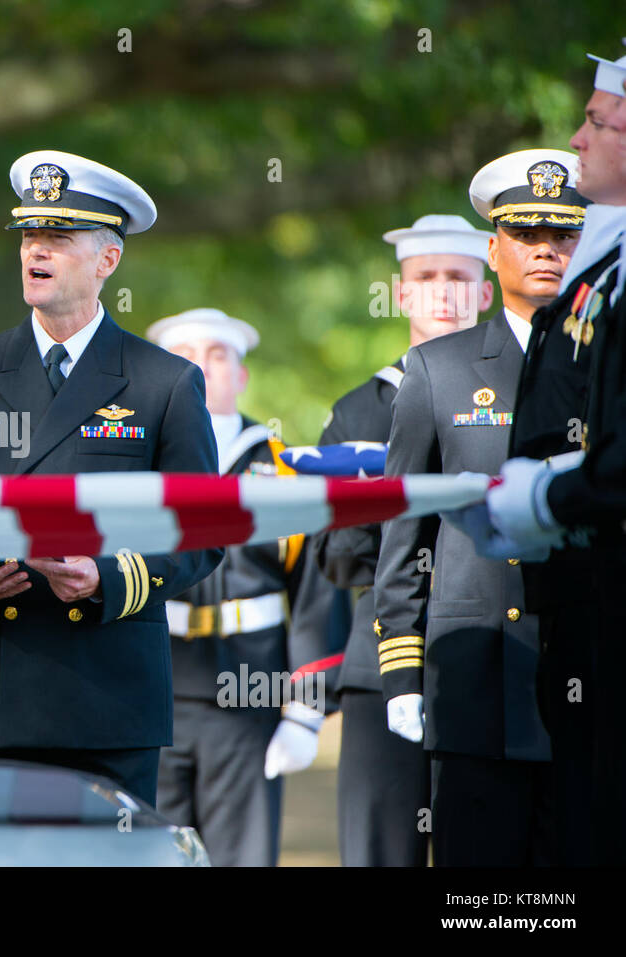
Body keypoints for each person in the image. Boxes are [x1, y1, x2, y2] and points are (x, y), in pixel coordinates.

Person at [0, 150, 222, 806]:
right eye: (29, 237)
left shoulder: (164, 382)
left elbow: (202, 531)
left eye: (58, 238)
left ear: (108, 260)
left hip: (105, 701)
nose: (35, 252)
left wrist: (109, 576)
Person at [374, 150, 586, 866]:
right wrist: (403, 672)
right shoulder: (439, 369)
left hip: (589, 677)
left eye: (563, 235)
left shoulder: (605, 363)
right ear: (493, 250)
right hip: (475, 681)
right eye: (528, 235)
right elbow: (405, 530)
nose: (548, 251)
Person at [456, 50, 626, 865]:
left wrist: (549, 499)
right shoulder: (602, 269)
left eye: (598, 122)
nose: (577, 137)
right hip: (559, 615)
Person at [311, 213, 494, 866]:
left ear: (485, 291)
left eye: (458, 277)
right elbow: (335, 558)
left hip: (493, 653)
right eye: (425, 278)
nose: (442, 292)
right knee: (381, 851)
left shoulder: (525, 392)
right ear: (402, 292)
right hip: (381, 657)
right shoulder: (360, 408)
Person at [146, 308, 343, 866]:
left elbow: (315, 593)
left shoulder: (281, 471)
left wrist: (305, 710)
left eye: (217, 355)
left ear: (241, 375)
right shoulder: (142, 466)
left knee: (243, 855)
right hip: (154, 681)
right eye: (184, 357)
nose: (203, 369)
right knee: (153, 851)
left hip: (249, 690)